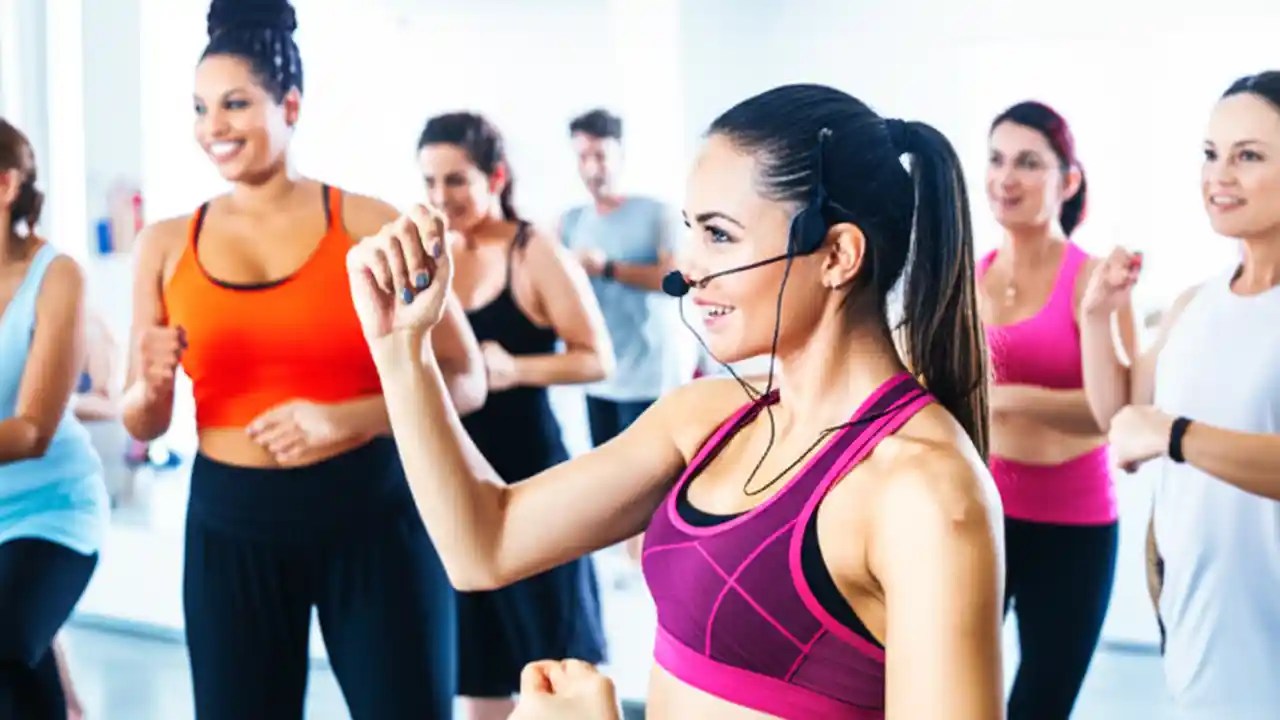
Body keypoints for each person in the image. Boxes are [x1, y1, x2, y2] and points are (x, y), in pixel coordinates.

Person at [350, 83, 1005, 720]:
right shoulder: (705, 419)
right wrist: (402, 348)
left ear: (836, 253)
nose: (685, 268)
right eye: (691, 231)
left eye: (719, 235)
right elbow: (482, 546)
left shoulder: (924, 491)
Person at [120, 2, 486, 718]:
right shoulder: (163, 245)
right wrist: (149, 382)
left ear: (290, 105)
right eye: (199, 109)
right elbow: (146, 419)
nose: (212, 127)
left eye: (235, 104)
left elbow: (468, 379)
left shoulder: (371, 223)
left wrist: (345, 417)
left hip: (374, 514)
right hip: (231, 524)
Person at [1082, 70, 1280, 719]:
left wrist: (1174, 435)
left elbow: (1156, 429)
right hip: (1198, 631)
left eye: (1248, 155)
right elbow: (1123, 420)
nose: (1219, 175)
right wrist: (1099, 315)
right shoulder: (1196, 304)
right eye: (1211, 153)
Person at [416, 111, 613, 720]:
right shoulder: (433, 256)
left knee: (550, 676)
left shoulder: (536, 252)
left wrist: (514, 368)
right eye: (428, 182)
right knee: (477, 682)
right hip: (461, 486)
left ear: (495, 176)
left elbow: (596, 359)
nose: (440, 198)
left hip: (532, 485)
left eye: (456, 181)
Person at [978, 101, 1135, 719]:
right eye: (995, 160)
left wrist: (1008, 400)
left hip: (1075, 528)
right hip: (983, 517)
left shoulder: (1096, 281)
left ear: (1068, 181)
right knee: (959, 694)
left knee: (1041, 704)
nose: (1005, 178)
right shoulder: (970, 276)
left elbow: (1115, 413)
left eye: (1028, 163)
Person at [0, 118, 108, 720]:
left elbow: (33, 430)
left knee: (9, 645)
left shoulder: (56, 275)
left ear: (5, 185)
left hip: (51, 509)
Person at [560, 109, 692, 446]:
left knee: (654, 486)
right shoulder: (570, 221)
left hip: (650, 378)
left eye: (600, 156)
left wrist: (607, 268)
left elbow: (676, 282)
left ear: (620, 155)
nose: (591, 168)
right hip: (598, 378)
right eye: (583, 157)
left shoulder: (657, 213)